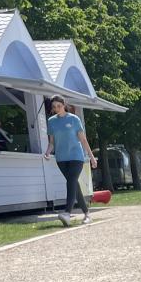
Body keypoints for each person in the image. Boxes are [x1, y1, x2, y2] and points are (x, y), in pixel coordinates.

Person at [44, 95, 98, 226]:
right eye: (54, 107)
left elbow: (83, 140)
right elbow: (52, 142)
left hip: (76, 157)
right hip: (61, 159)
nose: (57, 109)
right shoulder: (51, 121)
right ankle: (87, 214)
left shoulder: (74, 119)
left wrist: (91, 157)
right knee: (74, 184)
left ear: (64, 105)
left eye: (59, 106)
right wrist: (47, 152)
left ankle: (67, 213)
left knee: (71, 181)